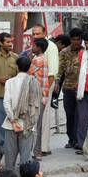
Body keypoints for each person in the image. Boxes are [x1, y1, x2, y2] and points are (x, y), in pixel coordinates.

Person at [2, 54, 40, 169]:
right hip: (27, 124)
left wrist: (13, 120)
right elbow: (36, 105)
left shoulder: (10, 82)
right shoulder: (34, 83)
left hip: (11, 123)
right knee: (25, 156)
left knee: (9, 155)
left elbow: (6, 102)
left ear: (17, 68)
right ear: (29, 68)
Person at [28, 28, 57, 156]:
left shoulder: (37, 60)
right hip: (42, 95)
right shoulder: (42, 57)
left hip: (38, 96)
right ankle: (37, 150)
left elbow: (27, 72)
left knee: (36, 125)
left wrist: (29, 59)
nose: (31, 47)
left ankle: (37, 151)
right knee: (38, 125)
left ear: (39, 47)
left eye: (33, 45)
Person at [54, 28, 84, 150]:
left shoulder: (85, 51)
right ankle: (71, 139)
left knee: (80, 115)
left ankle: (78, 139)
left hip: (81, 88)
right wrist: (56, 83)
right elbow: (59, 69)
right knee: (70, 114)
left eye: (78, 39)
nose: (76, 42)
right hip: (68, 88)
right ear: (70, 39)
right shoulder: (64, 52)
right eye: (73, 39)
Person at [0, 32, 18, 148]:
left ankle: (12, 147)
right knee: (0, 123)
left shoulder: (15, 57)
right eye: (8, 42)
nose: (10, 44)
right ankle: (2, 148)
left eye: (11, 42)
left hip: (13, 97)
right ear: (0, 43)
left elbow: (19, 75)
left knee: (13, 122)